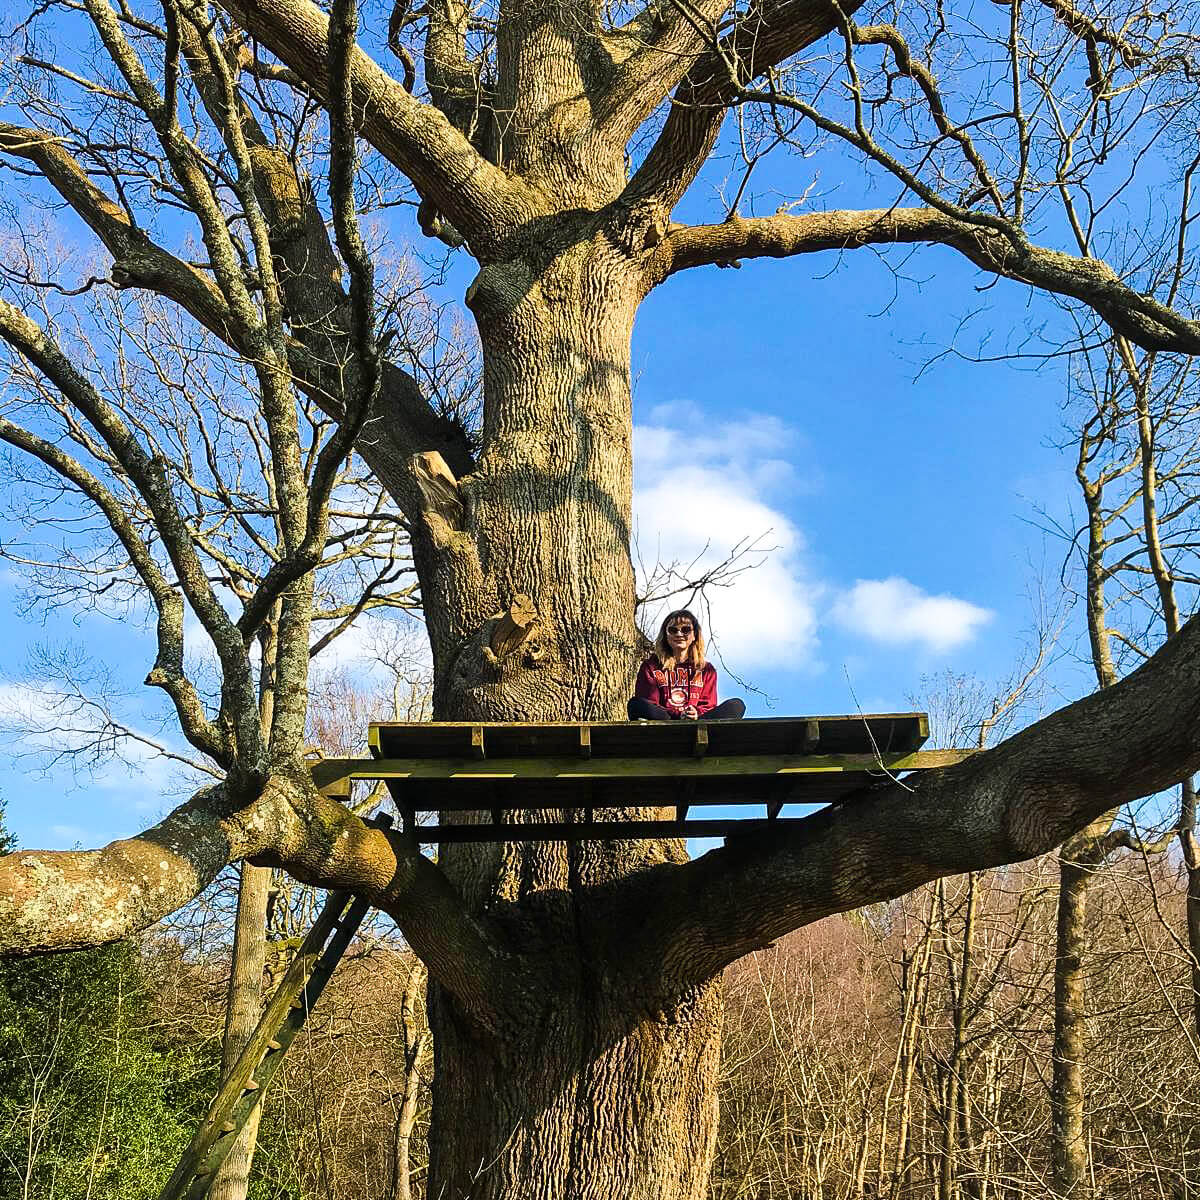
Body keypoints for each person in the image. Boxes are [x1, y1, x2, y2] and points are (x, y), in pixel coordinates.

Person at [628, 609, 746, 721]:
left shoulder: (706, 669)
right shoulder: (651, 666)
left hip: (698, 720)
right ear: (666, 635)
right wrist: (678, 715)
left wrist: (695, 713)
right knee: (636, 704)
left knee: (736, 705)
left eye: (685, 629)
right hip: (666, 719)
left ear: (694, 635)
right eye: (673, 630)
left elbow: (708, 704)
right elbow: (649, 701)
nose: (679, 634)